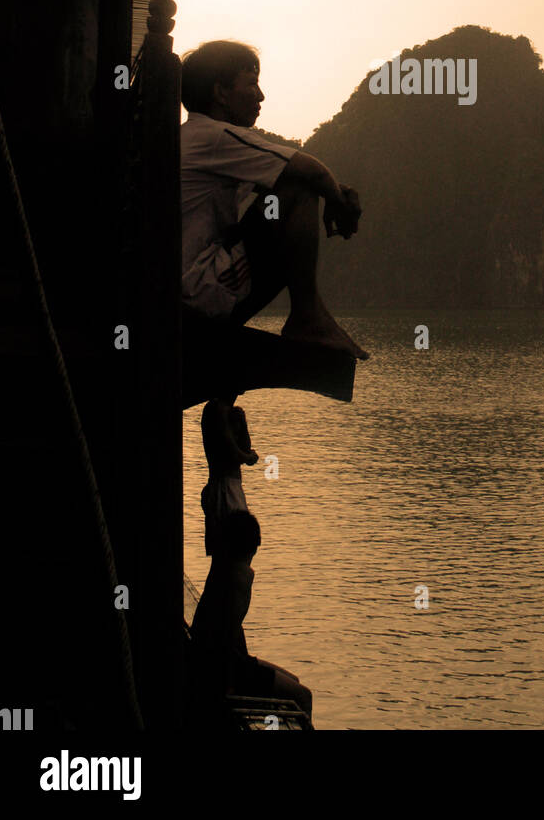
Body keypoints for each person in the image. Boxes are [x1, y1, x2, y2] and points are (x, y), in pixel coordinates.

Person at [180, 39, 367, 363]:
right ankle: (307, 316)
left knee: (291, 187)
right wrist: (337, 201)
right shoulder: (216, 137)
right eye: (251, 84)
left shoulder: (194, 139)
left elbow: (295, 174)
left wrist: (333, 190)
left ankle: (224, 400)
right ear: (220, 92)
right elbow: (307, 170)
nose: (261, 96)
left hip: (181, 286)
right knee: (299, 189)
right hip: (196, 292)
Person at [189, 510, 313, 720]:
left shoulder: (223, 569)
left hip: (225, 662)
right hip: (223, 669)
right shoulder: (237, 580)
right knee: (302, 696)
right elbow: (223, 640)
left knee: (295, 682)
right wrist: (228, 688)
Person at [200, 393, 258, 556]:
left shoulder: (231, 412)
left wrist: (243, 423)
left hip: (231, 486)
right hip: (223, 486)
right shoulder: (216, 409)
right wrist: (249, 458)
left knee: (237, 549)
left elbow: (243, 448)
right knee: (232, 549)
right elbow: (233, 452)